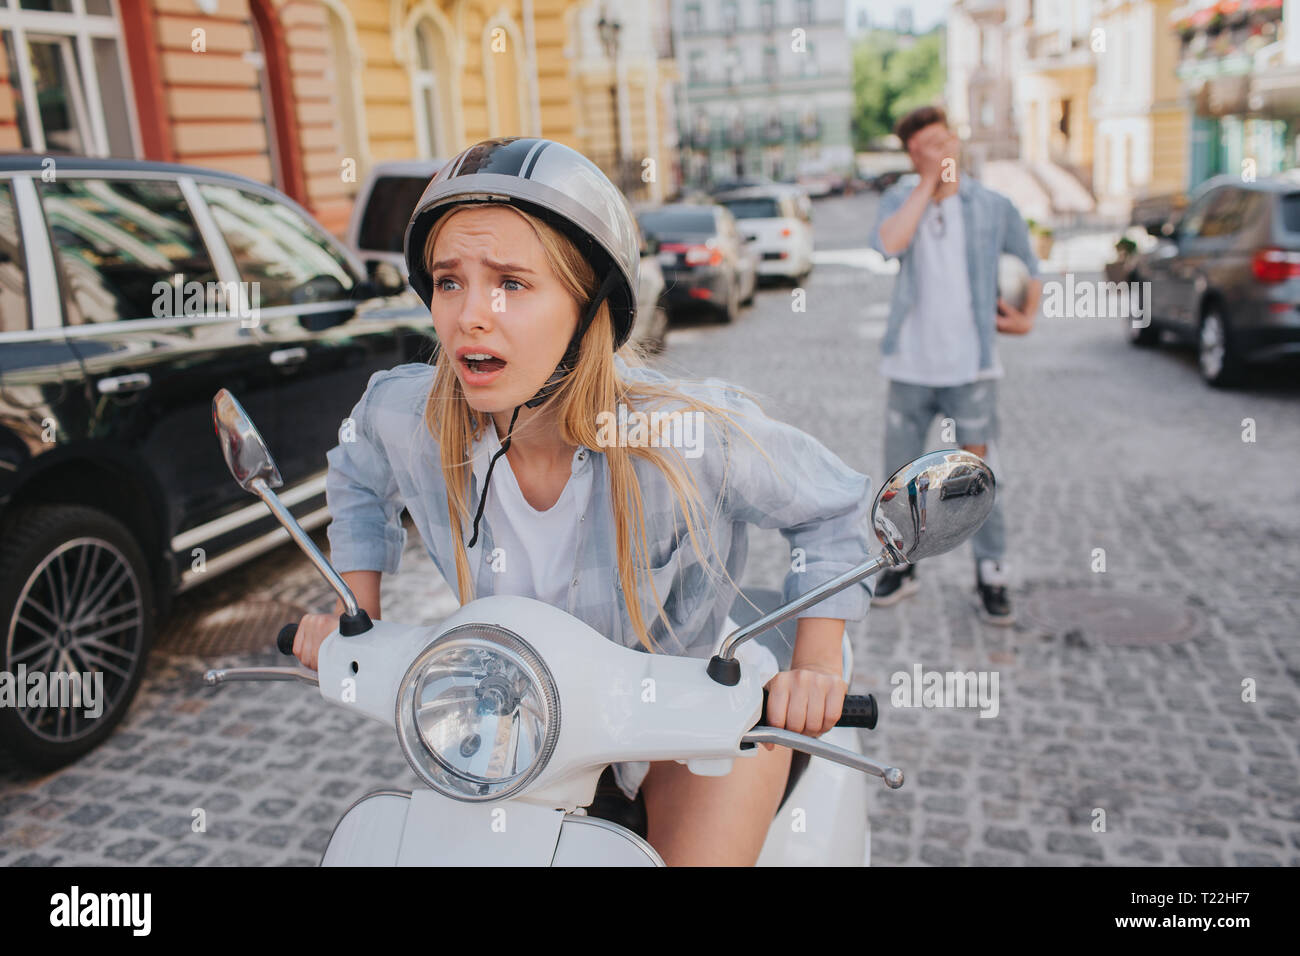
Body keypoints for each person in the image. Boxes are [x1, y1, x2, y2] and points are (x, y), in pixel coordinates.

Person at [289, 137, 875, 866]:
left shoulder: (681, 437)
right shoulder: (405, 415)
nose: (470, 314)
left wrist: (817, 665)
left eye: (510, 282)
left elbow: (833, 505)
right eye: (448, 281)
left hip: (693, 711)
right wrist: (358, 610)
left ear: (590, 301)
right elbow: (355, 473)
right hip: (520, 717)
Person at [866, 106, 1042, 625]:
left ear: (957, 141)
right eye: (926, 147)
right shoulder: (901, 199)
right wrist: (925, 184)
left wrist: (1028, 318)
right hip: (910, 365)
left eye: (945, 142)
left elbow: (1029, 265)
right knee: (900, 479)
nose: (941, 153)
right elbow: (889, 244)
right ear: (912, 155)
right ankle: (901, 567)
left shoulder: (991, 205)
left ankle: (992, 573)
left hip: (973, 369)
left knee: (980, 477)